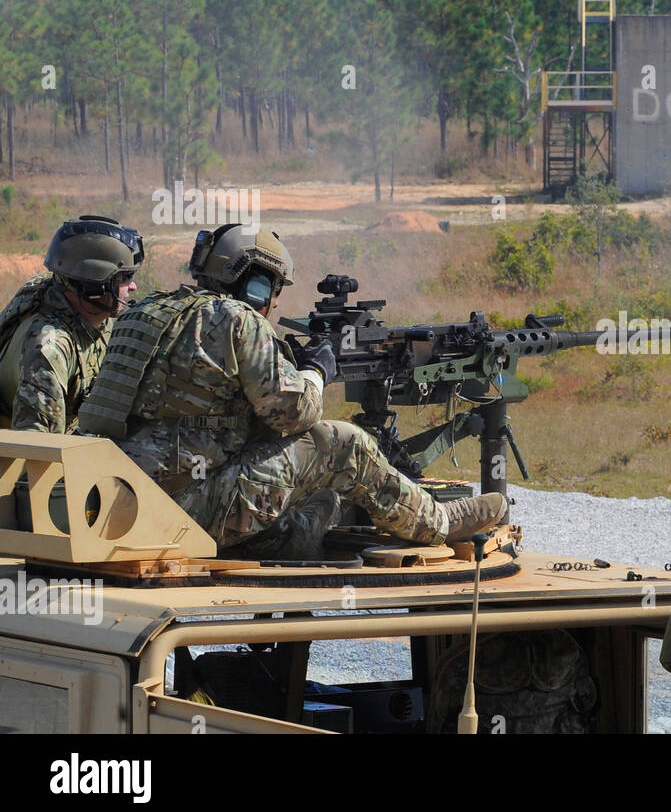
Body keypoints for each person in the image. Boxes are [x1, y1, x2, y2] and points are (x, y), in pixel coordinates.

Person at [79, 223, 505, 557]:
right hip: (188, 512)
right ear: (253, 282)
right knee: (344, 444)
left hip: (124, 500)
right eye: (273, 289)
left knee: (314, 491)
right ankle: (439, 522)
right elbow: (296, 414)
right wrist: (316, 372)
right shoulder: (238, 320)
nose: (276, 303)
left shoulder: (142, 313)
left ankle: (295, 532)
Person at [0, 215, 143, 432]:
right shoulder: (49, 347)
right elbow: (38, 449)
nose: (132, 287)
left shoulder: (95, 318)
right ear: (96, 285)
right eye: (124, 278)